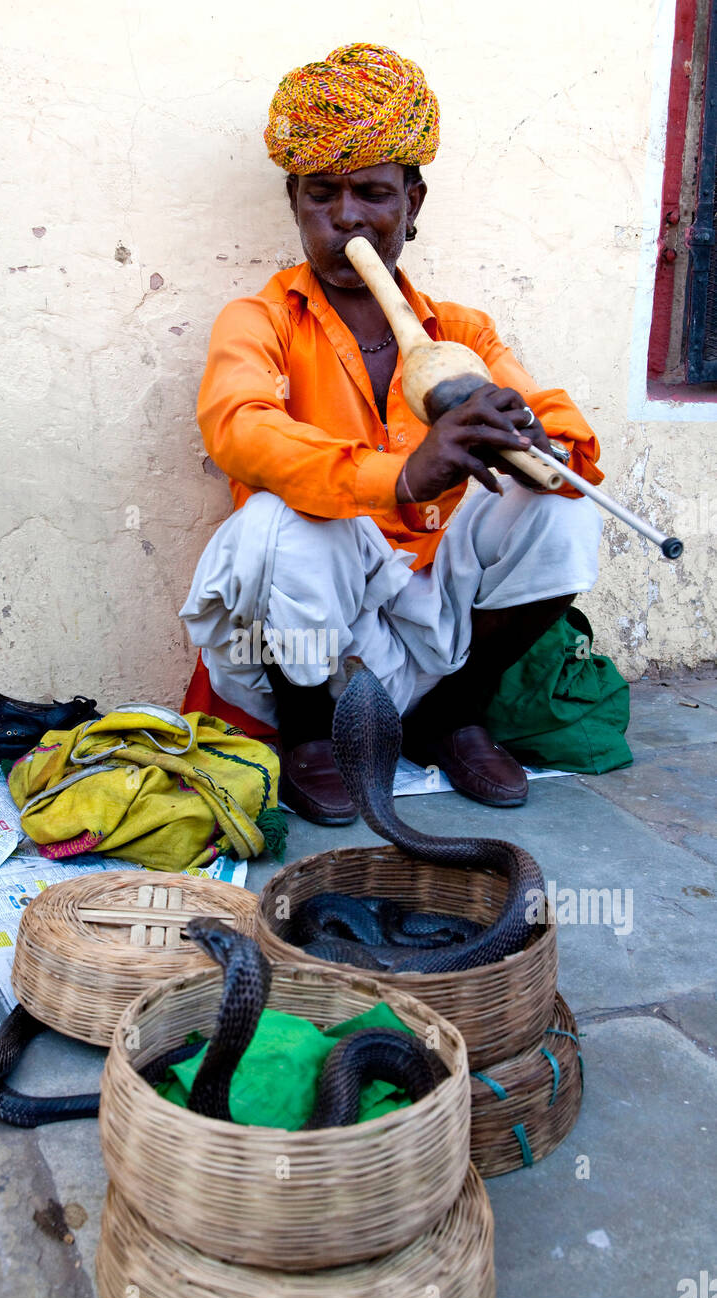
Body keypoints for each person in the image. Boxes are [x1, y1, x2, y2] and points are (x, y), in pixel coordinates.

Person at [180, 42, 603, 826]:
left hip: (432, 631)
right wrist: (403, 477)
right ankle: (309, 738)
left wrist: (530, 434)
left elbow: (562, 426)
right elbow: (240, 431)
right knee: (281, 518)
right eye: (322, 196)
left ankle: (451, 717)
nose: (347, 219)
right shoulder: (260, 321)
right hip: (305, 637)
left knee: (565, 505)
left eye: (373, 194)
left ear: (412, 201)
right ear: (295, 203)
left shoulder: (463, 331)